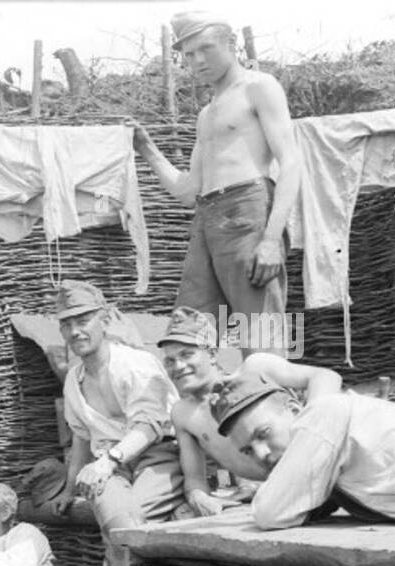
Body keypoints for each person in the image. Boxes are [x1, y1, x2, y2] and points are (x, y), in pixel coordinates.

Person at [130, 11, 302, 356]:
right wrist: (146, 149)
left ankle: (280, 404)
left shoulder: (259, 86)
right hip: (207, 219)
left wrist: (270, 240)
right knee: (188, 334)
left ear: (231, 43)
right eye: (188, 54)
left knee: (262, 336)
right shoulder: (205, 114)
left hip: (248, 210)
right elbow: (188, 192)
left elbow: (292, 162)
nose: (196, 61)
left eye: (205, 49)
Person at [49, 280, 188, 566]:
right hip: (108, 465)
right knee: (115, 511)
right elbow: (81, 437)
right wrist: (69, 489)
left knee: (125, 523)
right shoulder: (73, 380)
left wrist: (109, 461)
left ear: (105, 320)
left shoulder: (135, 363)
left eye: (83, 320)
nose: (75, 331)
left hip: (157, 455)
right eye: (67, 324)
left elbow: (149, 426)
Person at [160, 306, 342, 514]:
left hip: (326, 467)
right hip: (281, 492)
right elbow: (194, 480)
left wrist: (310, 438)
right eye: (170, 361)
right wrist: (200, 498)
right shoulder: (183, 414)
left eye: (187, 355)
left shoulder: (254, 370)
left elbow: (326, 377)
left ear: (211, 353)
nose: (179, 366)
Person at [212, 374, 395, 529]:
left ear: (294, 409)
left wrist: (278, 490)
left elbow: (268, 513)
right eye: (248, 451)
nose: (261, 454)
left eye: (263, 434)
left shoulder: (323, 413)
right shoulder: (325, 452)